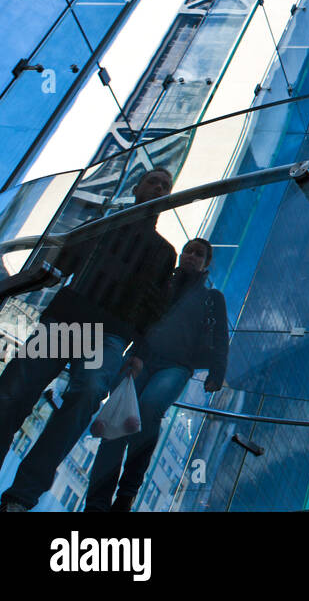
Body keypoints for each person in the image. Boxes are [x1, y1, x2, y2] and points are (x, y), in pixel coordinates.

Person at [0, 167, 177, 511]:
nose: (158, 186)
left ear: (167, 198)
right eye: (153, 181)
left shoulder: (163, 251)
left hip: (106, 334)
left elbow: (153, 307)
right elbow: (57, 265)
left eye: (165, 185)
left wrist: (138, 352)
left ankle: (20, 497)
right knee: (14, 390)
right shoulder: (100, 225)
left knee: (89, 391)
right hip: (65, 322)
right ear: (138, 187)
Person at [84, 237, 227, 512]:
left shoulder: (212, 298)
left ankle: (127, 493)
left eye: (199, 255)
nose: (191, 257)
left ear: (206, 264)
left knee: (149, 408)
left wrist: (217, 372)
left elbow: (220, 337)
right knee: (115, 424)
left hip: (177, 365)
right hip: (142, 358)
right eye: (188, 251)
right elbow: (142, 317)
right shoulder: (164, 284)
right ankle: (97, 503)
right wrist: (135, 353)